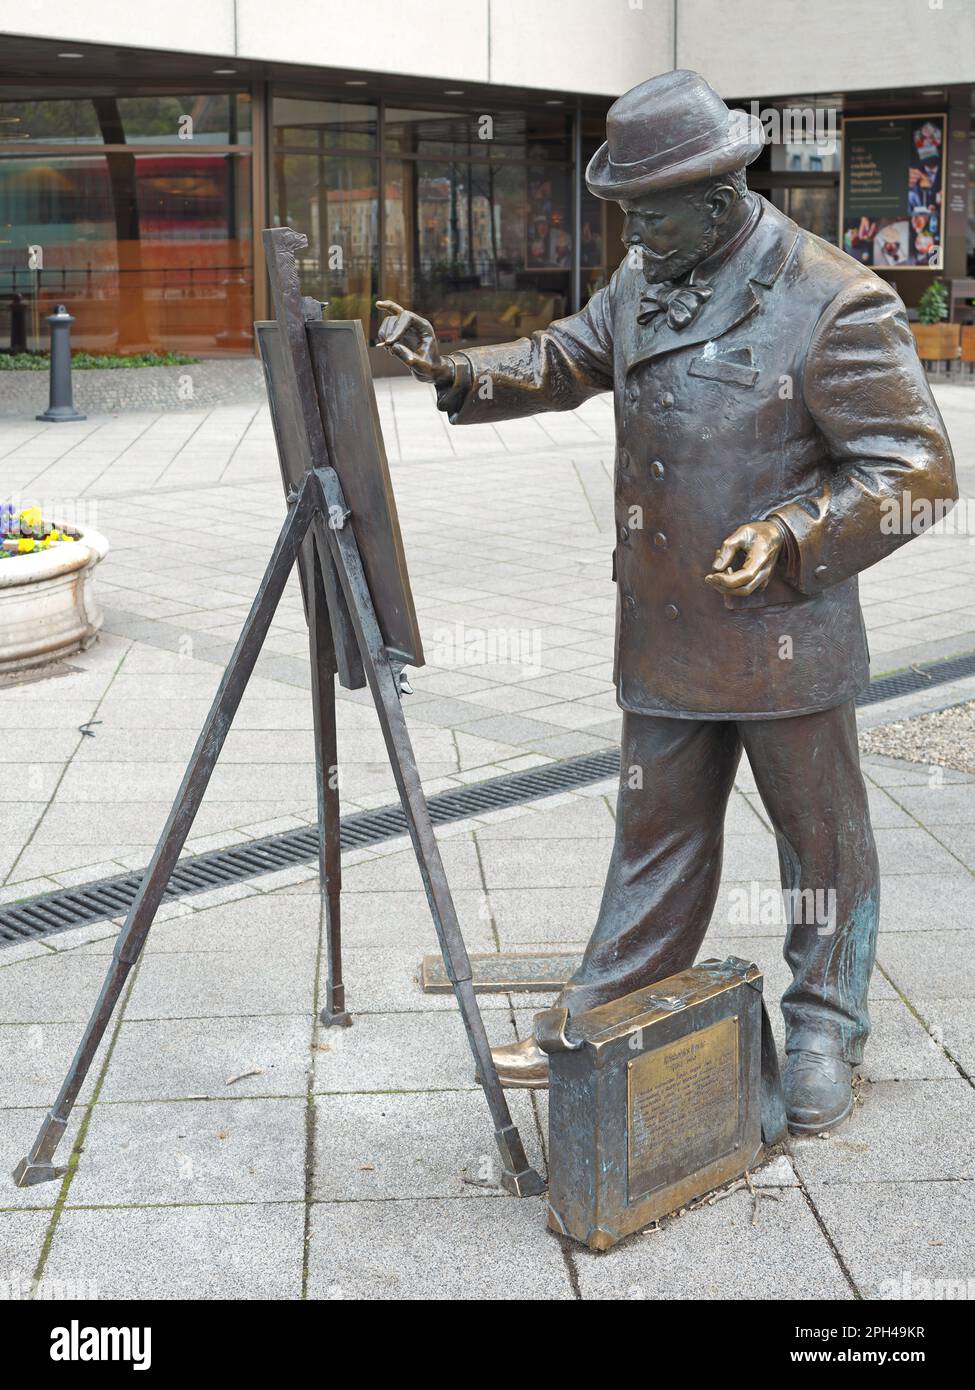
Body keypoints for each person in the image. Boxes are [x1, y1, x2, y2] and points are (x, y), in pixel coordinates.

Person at [377, 70, 956, 1134]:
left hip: (785, 632)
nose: (632, 233)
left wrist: (791, 531)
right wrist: (461, 367)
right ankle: (610, 1008)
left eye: (648, 209)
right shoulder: (652, 273)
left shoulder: (832, 298)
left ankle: (827, 1017)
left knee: (818, 838)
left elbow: (919, 472)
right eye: (626, 211)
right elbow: (565, 354)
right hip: (666, 628)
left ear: (720, 195)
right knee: (655, 829)